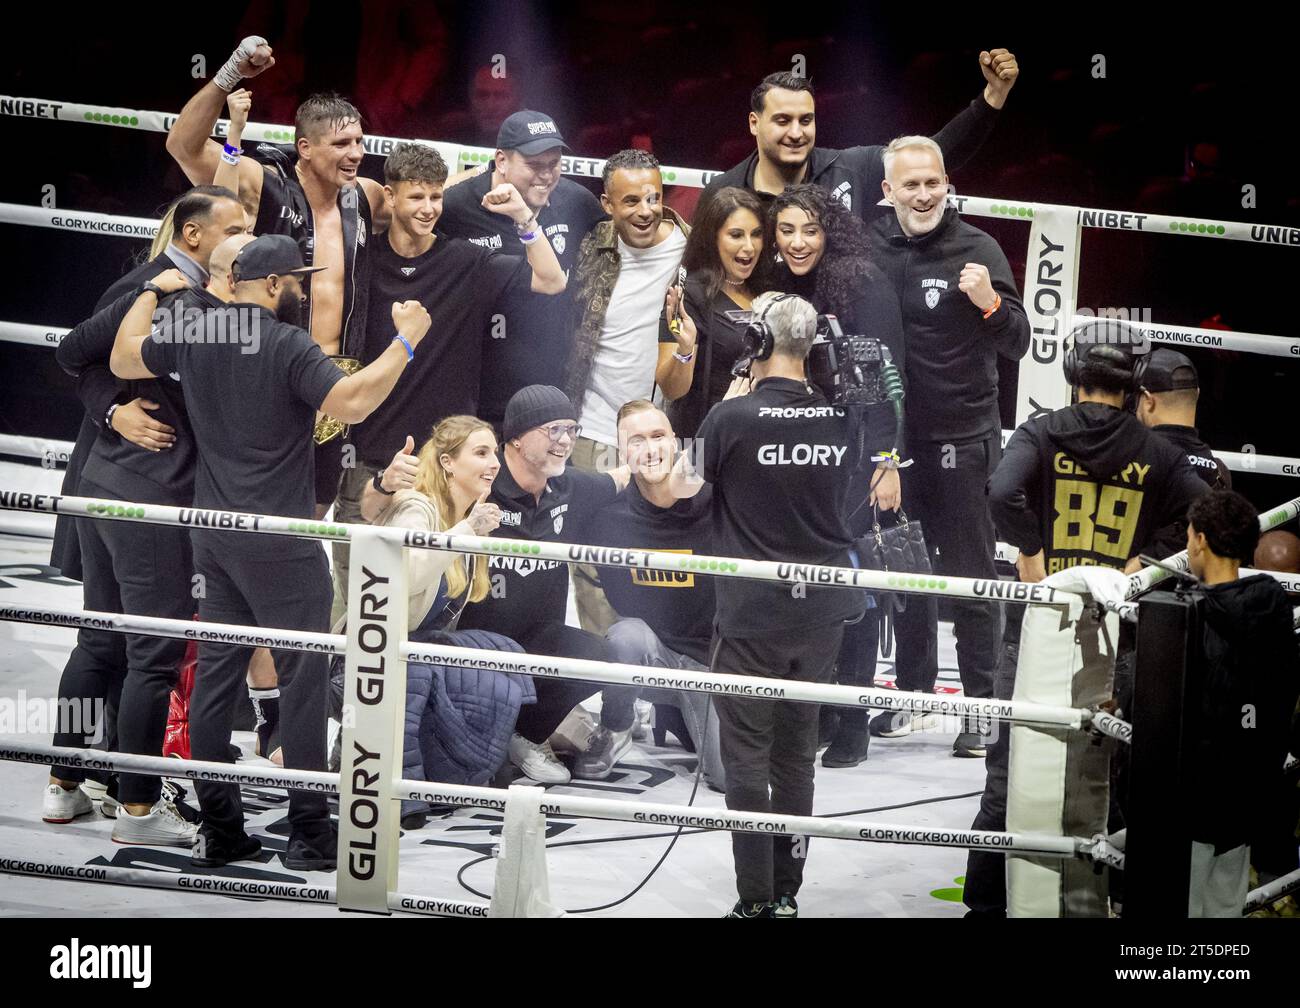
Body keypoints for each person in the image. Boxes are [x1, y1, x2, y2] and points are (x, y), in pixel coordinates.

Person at [110, 233, 432, 869]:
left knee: (217, 677)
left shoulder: (198, 335)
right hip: (279, 541)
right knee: (303, 680)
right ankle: (311, 833)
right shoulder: (288, 344)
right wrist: (406, 340)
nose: (306, 291)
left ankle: (222, 829)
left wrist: (150, 290)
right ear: (273, 285)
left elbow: (122, 359)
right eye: (298, 282)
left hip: (214, 532)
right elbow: (353, 401)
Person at [965, 318, 1210, 918]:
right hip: (1118, 628)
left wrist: (1029, 549)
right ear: (1131, 387)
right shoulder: (1155, 449)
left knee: (1010, 768)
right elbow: (1203, 509)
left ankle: (986, 905)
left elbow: (1000, 493)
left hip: (1046, 618)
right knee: (1112, 770)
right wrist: (1144, 565)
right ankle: (1109, 899)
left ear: (1073, 376)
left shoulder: (1042, 432)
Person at [668, 292, 871, 918]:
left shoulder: (732, 420)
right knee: (796, 753)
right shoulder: (846, 419)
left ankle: (754, 899)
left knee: (748, 760)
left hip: (752, 615)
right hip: (821, 615)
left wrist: (727, 405)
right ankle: (787, 893)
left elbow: (680, 486)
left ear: (756, 345)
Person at [40, 255, 239, 840]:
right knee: (151, 657)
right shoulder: (213, 323)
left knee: (99, 643)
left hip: (102, 483)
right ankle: (136, 810)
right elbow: (86, 356)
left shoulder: (159, 302)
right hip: (152, 501)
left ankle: (64, 784)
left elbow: (86, 355)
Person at [333, 142, 566, 619]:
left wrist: (525, 219)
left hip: (444, 468)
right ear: (391, 198)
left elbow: (551, 280)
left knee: (436, 607)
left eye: (436, 197)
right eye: (416, 197)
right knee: (358, 610)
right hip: (370, 457)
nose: (428, 208)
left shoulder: (466, 262)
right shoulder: (359, 261)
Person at [166, 36, 387, 514]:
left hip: (334, 382)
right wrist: (229, 74)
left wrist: (500, 179)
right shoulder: (262, 183)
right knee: (253, 504)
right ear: (304, 147)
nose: (357, 153)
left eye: (360, 141)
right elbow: (183, 145)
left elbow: (431, 194)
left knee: (314, 509)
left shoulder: (367, 196)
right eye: (342, 144)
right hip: (264, 369)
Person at [866, 135, 1031, 756]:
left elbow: (1018, 341)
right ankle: (912, 697)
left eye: (933, 181)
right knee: (905, 572)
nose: (925, 193)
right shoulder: (872, 249)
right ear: (888, 192)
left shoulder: (978, 248)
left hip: (963, 439)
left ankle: (982, 713)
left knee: (969, 578)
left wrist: (989, 302)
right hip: (895, 446)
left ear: (946, 182)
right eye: (911, 184)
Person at [765, 182, 907, 767]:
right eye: (787, 230)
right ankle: (823, 710)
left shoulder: (860, 281)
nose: (798, 242)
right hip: (807, 457)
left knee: (858, 588)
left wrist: (886, 460)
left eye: (811, 230)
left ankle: (853, 721)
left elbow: (886, 379)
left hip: (857, 457)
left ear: (831, 232)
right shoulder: (790, 284)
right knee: (815, 588)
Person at [356, 417, 533, 828]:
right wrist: (465, 531)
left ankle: (463, 774)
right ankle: (404, 795)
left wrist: (469, 529)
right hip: (370, 652)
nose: (494, 464)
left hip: (418, 646)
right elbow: (405, 577)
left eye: (494, 453)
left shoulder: (469, 516)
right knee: (418, 670)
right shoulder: (416, 507)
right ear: (449, 463)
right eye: (481, 453)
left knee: (502, 653)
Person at [448, 386, 629, 784]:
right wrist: (383, 488)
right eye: (553, 430)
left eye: (571, 429)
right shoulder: (481, 483)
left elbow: (621, 479)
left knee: (608, 655)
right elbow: (408, 505)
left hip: (538, 643)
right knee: (473, 775)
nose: (565, 441)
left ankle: (525, 734)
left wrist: (657, 459)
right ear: (515, 437)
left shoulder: (567, 486)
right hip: (472, 647)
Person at [562, 149, 689, 635]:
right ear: (608, 204)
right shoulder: (591, 244)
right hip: (595, 428)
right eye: (631, 200)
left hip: (670, 432)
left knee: (666, 560)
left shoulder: (690, 250)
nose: (645, 209)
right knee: (594, 566)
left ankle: (660, 685)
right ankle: (609, 692)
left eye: (654, 197)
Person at [579, 400, 724, 787]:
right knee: (624, 637)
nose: (651, 448)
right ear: (621, 451)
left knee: (728, 779)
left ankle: (683, 719)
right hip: (649, 653)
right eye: (636, 440)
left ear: (677, 442)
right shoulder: (606, 512)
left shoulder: (716, 499)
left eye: (659, 436)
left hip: (710, 658)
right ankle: (617, 724)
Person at [698, 50, 1019, 224]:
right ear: (754, 123)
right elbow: (705, 283)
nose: (796, 133)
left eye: (805, 120)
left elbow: (935, 154)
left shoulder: (852, 169)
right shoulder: (722, 192)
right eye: (783, 120)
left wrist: (992, 96)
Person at [438, 110, 606, 427]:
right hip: (470, 393)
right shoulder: (456, 206)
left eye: (554, 164)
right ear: (501, 161)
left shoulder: (576, 202)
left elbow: (627, 239)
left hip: (547, 394)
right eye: (534, 165)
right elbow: (399, 217)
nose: (546, 175)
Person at [1182, 491, 1300, 916]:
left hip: (1189, 795)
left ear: (1200, 541)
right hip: (1250, 789)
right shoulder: (1271, 604)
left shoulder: (1186, 613)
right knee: (1225, 906)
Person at [656, 186, 768, 440]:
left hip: (760, 439)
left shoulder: (770, 287)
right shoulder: (689, 295)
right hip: (706, 440)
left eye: (756, 234)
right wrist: (684, 351)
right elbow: (672, 390)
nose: (749, 247)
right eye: (736, 235)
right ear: (713, 238)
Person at [1132, 347, 1230, 560]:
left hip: (1129, 586)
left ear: (1148, 400)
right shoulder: (1220, 473)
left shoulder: (1131, 459)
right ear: (1197, 394)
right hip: (1198, 590)